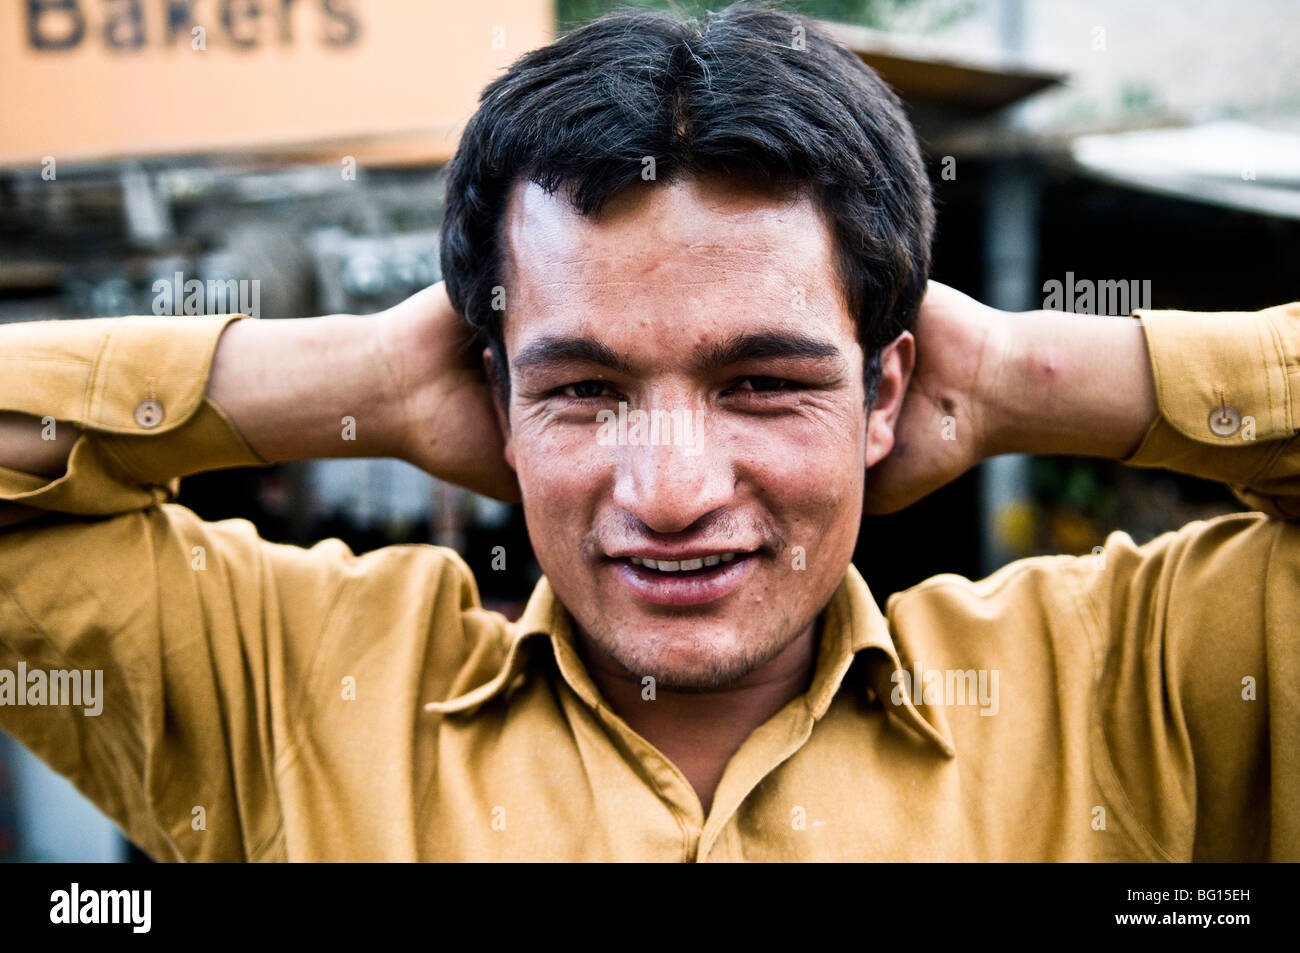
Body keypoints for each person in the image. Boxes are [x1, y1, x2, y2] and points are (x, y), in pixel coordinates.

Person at [0, 3, 1296, 862]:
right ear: (491, 395)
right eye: (583, 389)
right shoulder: (284, 688)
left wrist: (1036, 369)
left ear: (888, 392)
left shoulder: (1139, 684)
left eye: (764, 383)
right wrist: (361, 379)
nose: (670, 494)